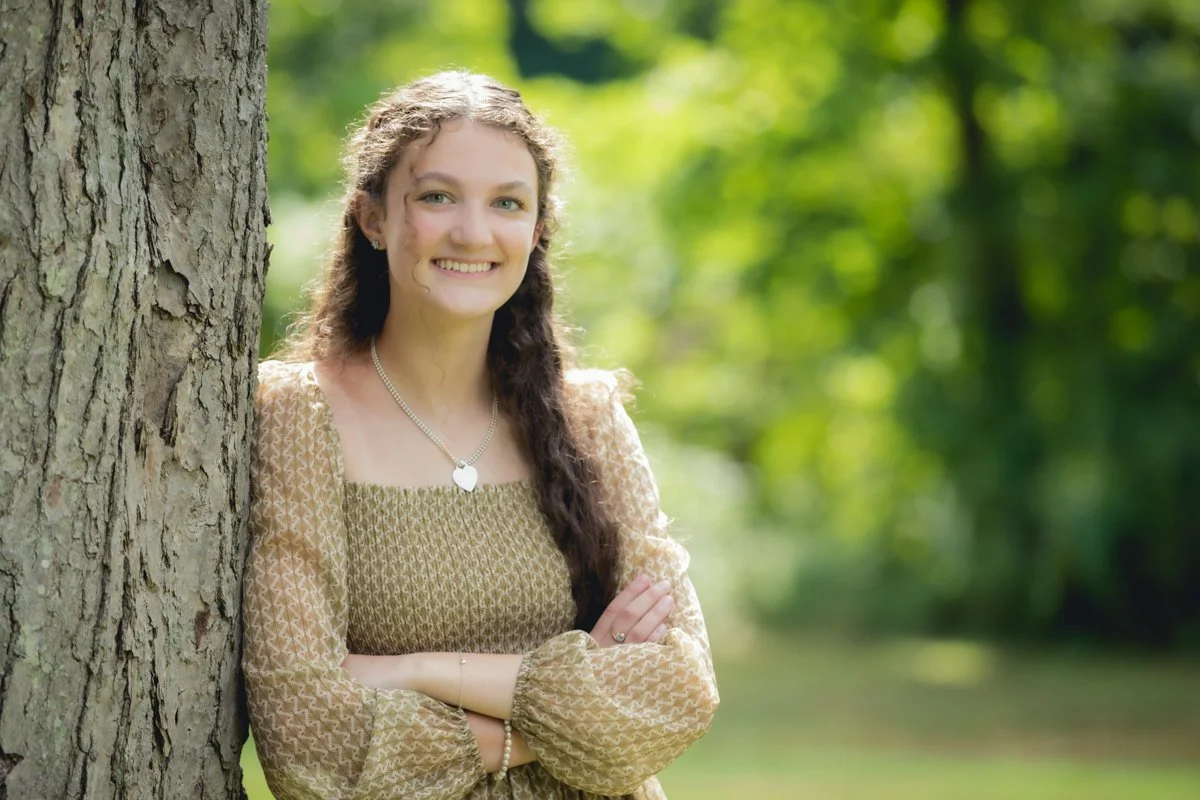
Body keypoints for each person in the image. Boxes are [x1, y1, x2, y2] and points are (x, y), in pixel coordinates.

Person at [243, 70, 719, 800]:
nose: (473, 232)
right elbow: (309, 746)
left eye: (506, 203)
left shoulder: (587, 420)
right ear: (373, 217)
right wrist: (572, 700)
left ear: (535, 230)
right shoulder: (299, 417)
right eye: (437, 196)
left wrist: (415, 671)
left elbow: (680, 690)